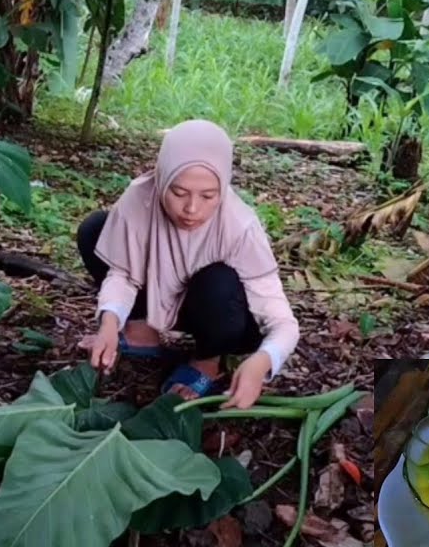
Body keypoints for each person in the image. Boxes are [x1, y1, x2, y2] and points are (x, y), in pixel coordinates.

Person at [75, 119, 300, 409]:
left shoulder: (239, 226)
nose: (192, 209)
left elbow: (284, 323)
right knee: (97, 229)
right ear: (161, 178)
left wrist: (262, 362)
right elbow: (123, 273)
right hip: (162, 293)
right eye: (178, 193)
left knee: (218, 281)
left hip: (221, 314)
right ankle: (140, 331)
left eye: (208, 196)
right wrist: (108, 322)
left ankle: (207, 361)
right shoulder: (140, 198)